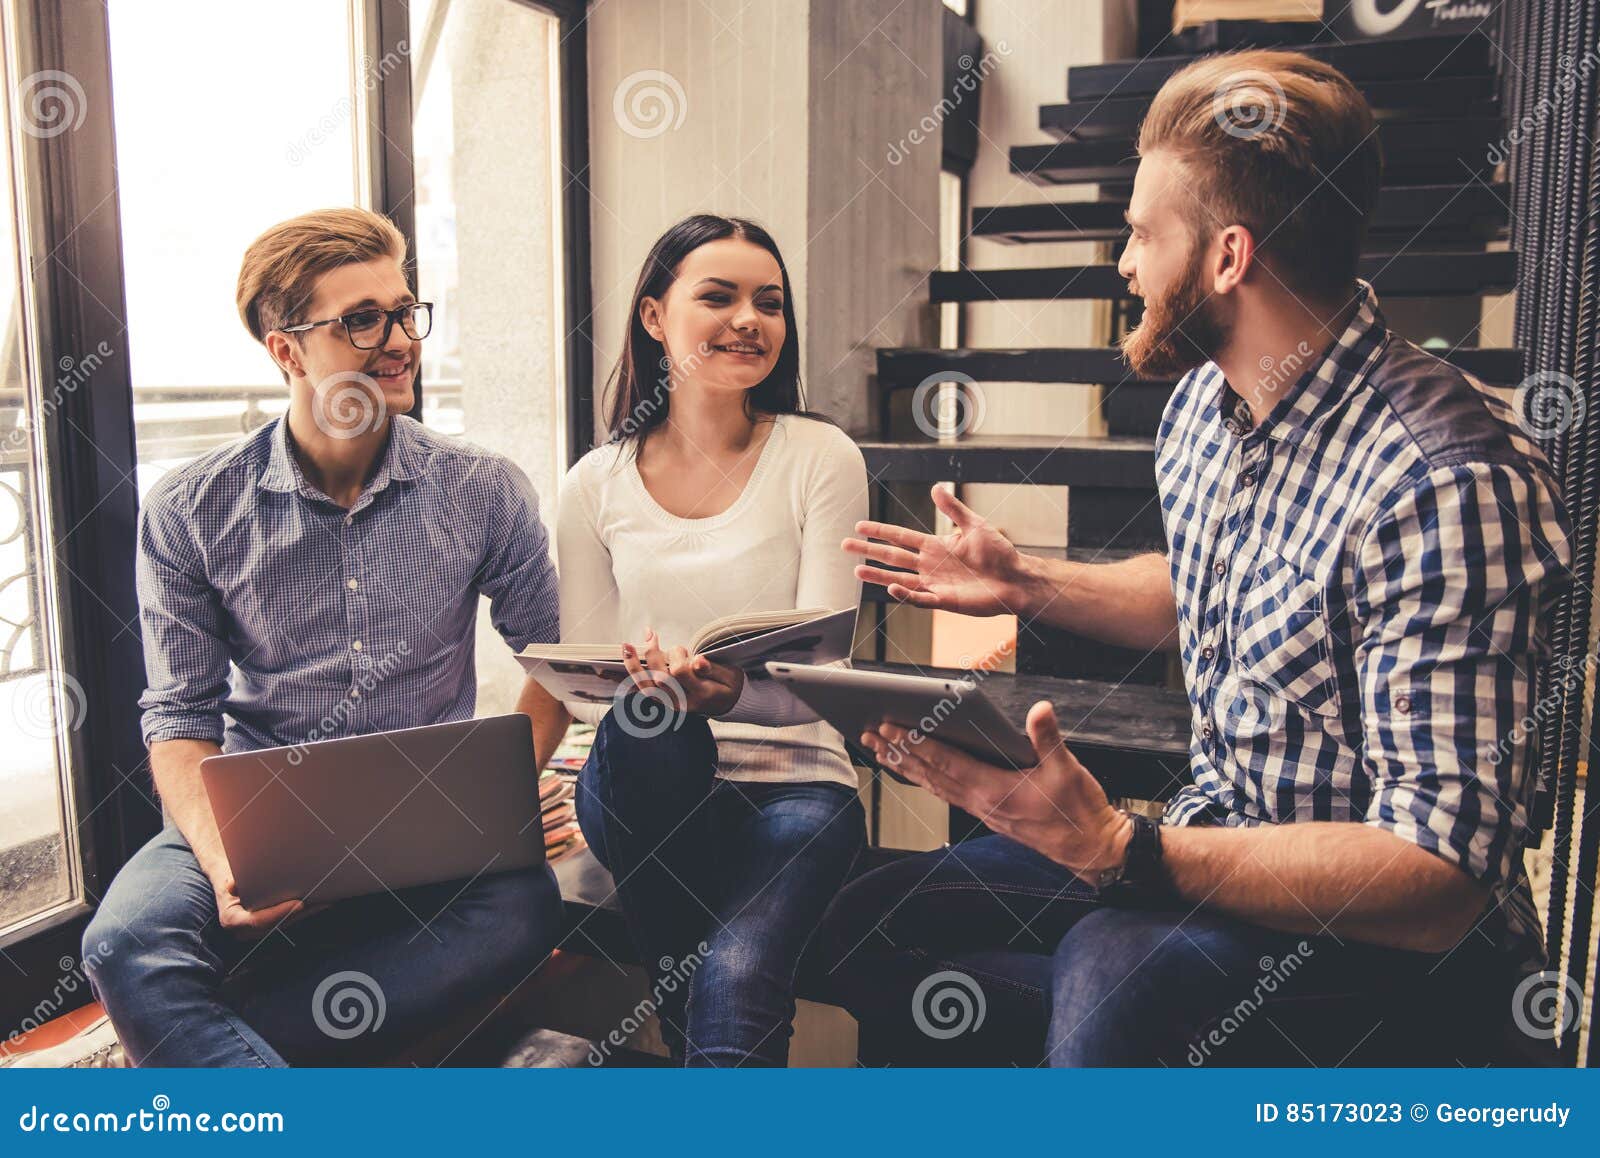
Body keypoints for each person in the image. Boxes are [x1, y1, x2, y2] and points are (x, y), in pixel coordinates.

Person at [817, 49, 1573, 1066]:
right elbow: (1213, 586)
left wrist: (1117, 851)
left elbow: (1435, 877)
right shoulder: (1202, 412)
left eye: (1139, 234)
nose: (1122, 263)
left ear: (1226, 258)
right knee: (860, 921)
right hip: (1215, 832)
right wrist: (1030, 582)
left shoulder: (1445, 479)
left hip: (1387, 946)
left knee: (1114, 980)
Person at [85, 207, 568, 1066]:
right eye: (361, 321)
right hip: (261, 807)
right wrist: (223, 861)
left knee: (522, 909)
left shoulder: (483, 490)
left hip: (431, 814)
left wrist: (496, 796)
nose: (399, 339)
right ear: (287, 351)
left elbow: (555, 663)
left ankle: (221, 1060)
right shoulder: (191, 509)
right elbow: (179, 717)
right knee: (124, 945)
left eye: (404, 311)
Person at [557, 214, 868, 1066]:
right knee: (648, 724)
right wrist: (647, 693)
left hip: (797, 785)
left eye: (769, 302)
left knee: (733, 974)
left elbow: (826, 675)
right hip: (643, 781)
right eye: (719, 296)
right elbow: (587, 682)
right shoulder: (595, 483)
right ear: (656, 317)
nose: (750, 320)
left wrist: (734, 694)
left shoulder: (821, 456)